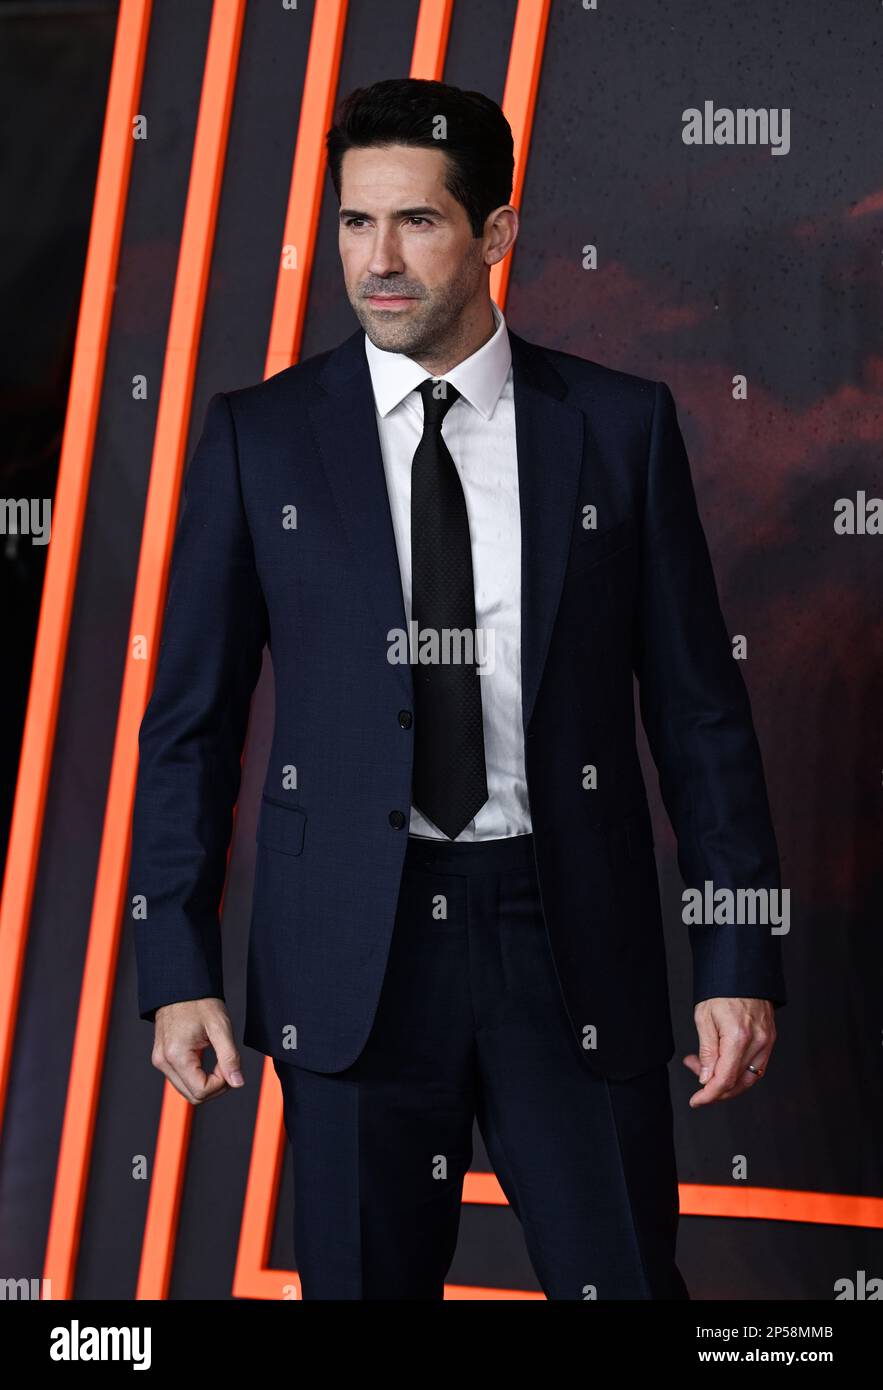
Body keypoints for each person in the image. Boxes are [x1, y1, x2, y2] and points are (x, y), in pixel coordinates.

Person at [130, 77, 786, 1300]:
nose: (377, 260)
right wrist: (174, 962)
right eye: (353, 223)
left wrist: (738, 950)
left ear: (494, 233)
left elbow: (701, 713)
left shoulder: (616, 426)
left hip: (567, 934)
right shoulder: (255, 437)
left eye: (416, 222)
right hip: (347, 961)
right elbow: (190, 724)